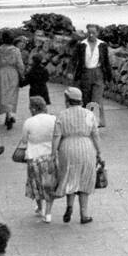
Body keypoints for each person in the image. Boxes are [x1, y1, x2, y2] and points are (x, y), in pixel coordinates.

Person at [51, 87, 103, 225]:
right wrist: (99, 153)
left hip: (67, 147)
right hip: (86, 147)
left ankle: (69, 206)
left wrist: (52, 153)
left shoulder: (62, 115)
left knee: (70, 177)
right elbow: (95, 135)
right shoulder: (89, 114)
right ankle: (84, 214)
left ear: (67, 100)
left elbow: (56, 136)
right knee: (85, 179)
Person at [18, 96, 57, 222]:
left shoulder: (29, 122)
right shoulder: (53, 119)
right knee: (49, 184)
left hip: (34, 157)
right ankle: (49, 213)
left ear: (34, 108)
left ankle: (40, 208)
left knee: (36, 184)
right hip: (49, 156)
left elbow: (24, 140)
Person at [73, 24, 110, 127]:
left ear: (97, 33)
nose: (91, 34)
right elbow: (75, 60)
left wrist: (109, 77)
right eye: (89, 32)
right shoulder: (82, 44)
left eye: (93, 32)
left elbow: (106, 62)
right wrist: (71, 73)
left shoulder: (102, 45)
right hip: (85, 73)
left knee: (96, 99)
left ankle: (96, 122)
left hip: (98, 73)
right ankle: (88, 121)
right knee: (86, 99)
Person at [0, 29, 26, 131]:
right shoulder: (15, 50)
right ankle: (9, 115)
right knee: (12, 94)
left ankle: (7, 115)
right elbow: (20, 64)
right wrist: (22, 74)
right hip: (13, 72)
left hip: (2, 72)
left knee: (3, 94)